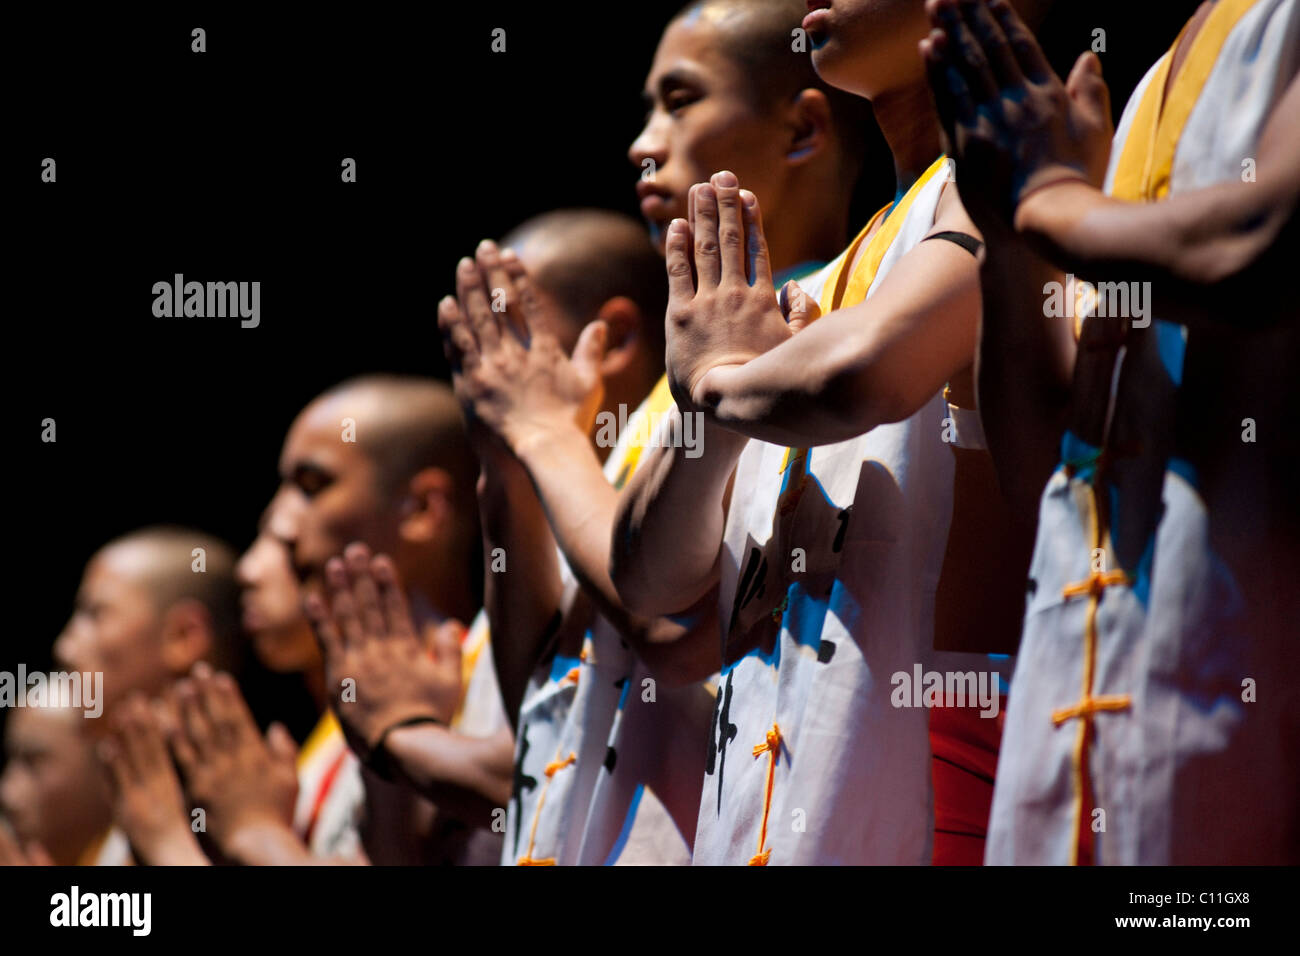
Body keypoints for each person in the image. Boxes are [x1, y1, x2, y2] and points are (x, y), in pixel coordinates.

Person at [610, 0, 1047, 864]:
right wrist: (711, 403)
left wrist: (720, 382)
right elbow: (648, 574)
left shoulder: (998, 181)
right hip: (764, 811)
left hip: (934, 800)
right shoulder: (835, 277)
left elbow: (864, 374)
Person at [922, 0, 1300, 863]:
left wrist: (1048, 199)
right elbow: (1045, 469)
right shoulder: (1139, 99)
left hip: (1243, 704)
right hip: (1064, 740)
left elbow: (1261, 246)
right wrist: (1014, 246)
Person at [280, 375, 513, 865]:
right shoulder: (356, 705)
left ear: (423, 509)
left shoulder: (504, 678)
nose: (281, 526)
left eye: (313, 486)